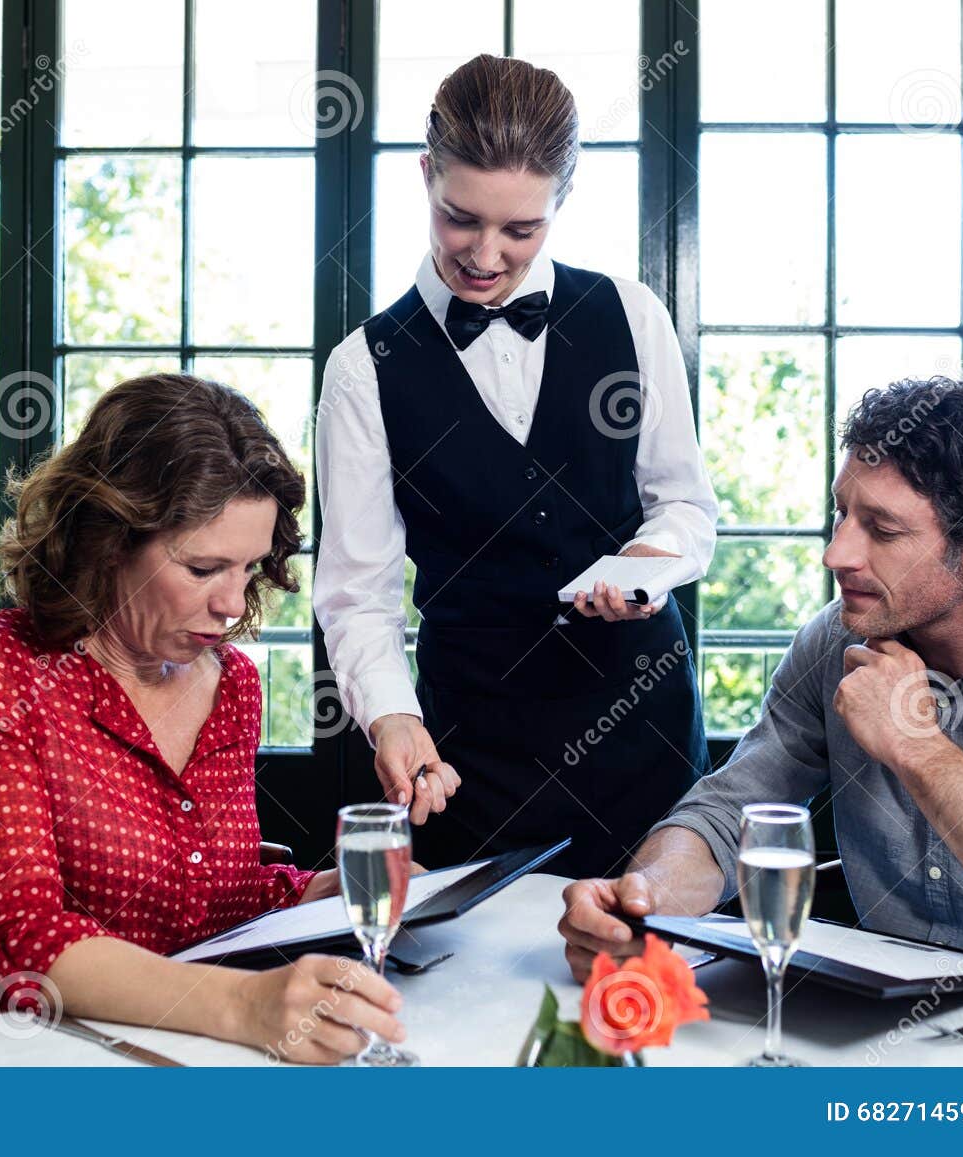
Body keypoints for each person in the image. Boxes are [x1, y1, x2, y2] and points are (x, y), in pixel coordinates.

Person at [559, 375, 963, 1018]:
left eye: (882, 529)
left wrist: (919, 748)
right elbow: (728, 814)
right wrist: (646, 902)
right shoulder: (834, 643)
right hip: (902, 1038)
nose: (837, 553)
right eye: (842, 513)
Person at [315, 54, 718, 880]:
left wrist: (648, 560)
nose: (486, 254)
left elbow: (685, 506)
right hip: (474, 755)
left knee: (653, 960)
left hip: (643, 735)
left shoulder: (633, 316)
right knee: (475, 960)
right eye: (460, 218)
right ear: (426, 176)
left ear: (561, 200)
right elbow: (358, 591)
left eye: (520, 230)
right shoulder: (362, 370)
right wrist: (392, 716)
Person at [0, 374, 406, 1063]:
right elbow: (22, 937)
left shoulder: (232, 683)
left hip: (187, 1056)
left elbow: (210, 894)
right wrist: (245, 1005)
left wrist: (323, 893)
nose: (233, 605)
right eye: (204, 568)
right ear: (109, 542)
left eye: (250, 568)